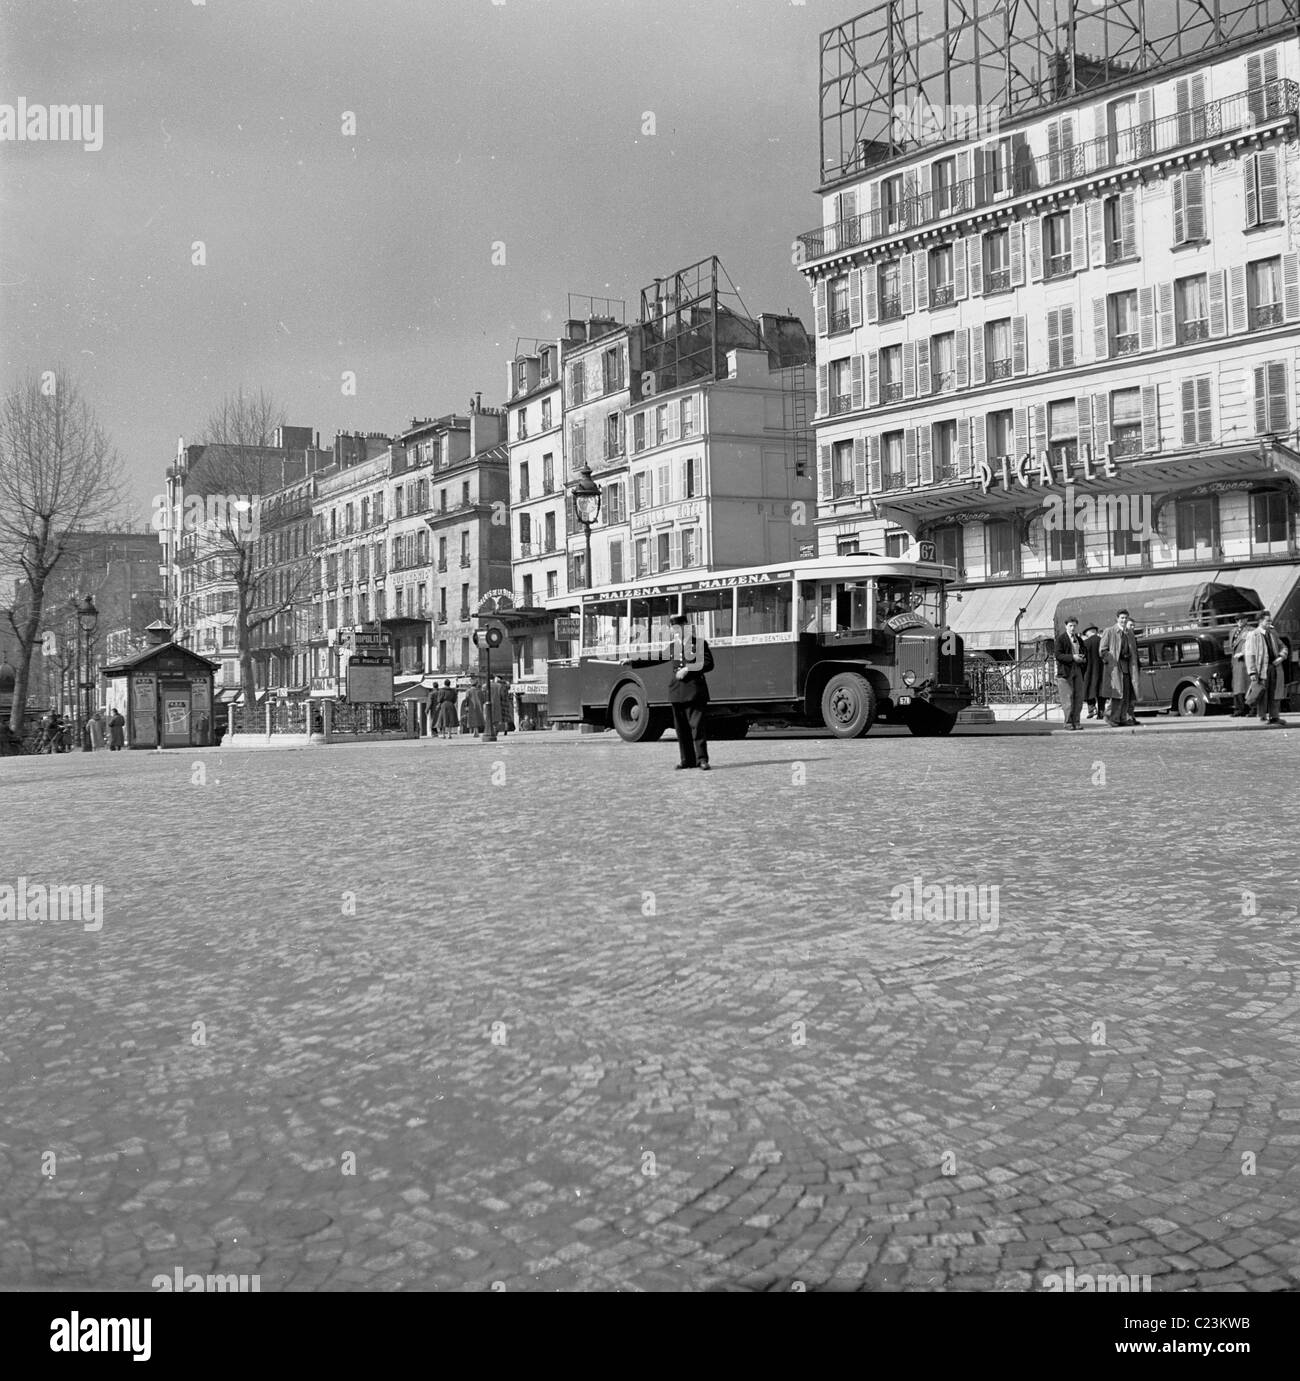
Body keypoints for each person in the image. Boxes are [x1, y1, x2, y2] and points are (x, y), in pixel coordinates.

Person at [668, 612, 714, 770]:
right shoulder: (673, 646)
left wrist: (689, 668)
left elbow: (708, 663)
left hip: (694, 691)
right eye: (674, 628)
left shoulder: (699, 643)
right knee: (681, 730)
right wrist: (631, 661)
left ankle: (701, 759)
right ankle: (686, 760)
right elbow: (654, 657)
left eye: (679, 627)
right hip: (677, 692)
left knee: (697, 727)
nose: (676, 631)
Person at [1244, 611, 1288, 726]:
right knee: (1262, 693)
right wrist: (1252, 671)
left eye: (1270, 620)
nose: (1270, 623)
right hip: (1261, 669)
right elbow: (1249, 654)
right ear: (1260, 621)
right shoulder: (1253, 635)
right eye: (1267, 621)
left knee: (1275, 693)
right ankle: (1262, 717)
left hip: (1274, 667)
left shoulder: (1273, 633)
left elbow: (1283, 646)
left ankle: (1275, 717)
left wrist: (1281, 657)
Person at [1099, 608, 1140, 727]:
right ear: (1117, 619)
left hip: (1128, 667)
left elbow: (1133, 651)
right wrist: (1110, 660)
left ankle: (1122, 717)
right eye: (1122, 618)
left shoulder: (1129, 633)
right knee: (1117, 694)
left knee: (1127, 694)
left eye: (1126, 618)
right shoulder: (1110, 631)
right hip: (1116, 668)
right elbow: (1102, 650)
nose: (1124, 620)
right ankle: (1112, 718)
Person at [1053, 616, 1087, 729]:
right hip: (1065, 671)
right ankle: (1068, 722)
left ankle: (1076, 721)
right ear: (1066, 626)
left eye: (1074, 626)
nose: (1072, 628)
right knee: (1067, 698)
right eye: (1070, 626)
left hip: (1078, 669)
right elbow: (1058, 655)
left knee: (1079, 697)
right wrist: (1073, 657)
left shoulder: (1079, 639)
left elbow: (1084, 651)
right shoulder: (1061, 639)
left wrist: (1083, 658)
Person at [1229, 614, 1251, 716]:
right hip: (1236, 663)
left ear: (1246, 619)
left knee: (1245, 687)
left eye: (1241, 619)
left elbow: (1253, 645)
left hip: (1245, 661)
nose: (1239, 621)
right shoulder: (1233, 631)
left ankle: (1246, 709)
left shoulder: (1250, 630)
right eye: (1237, 620)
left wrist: (1243, 653)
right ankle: (1238, 709)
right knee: (1237, 687)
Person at [1080, 624, 1104, 720]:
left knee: (1089, 690)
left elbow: (1082, 658)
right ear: (1095, 631)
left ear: (1087, 633)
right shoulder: (1102, 641)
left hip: (1088, 671)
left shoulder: (1085, 643)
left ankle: (1092, 709)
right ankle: (1101, 712)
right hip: (1102, 671)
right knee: (1101, 692)